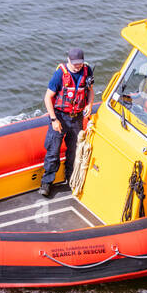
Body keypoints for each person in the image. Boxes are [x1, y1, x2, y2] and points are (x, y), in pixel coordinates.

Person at [41, 48, 93, 197]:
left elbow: (90, 90)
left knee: (74, 150)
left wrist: (89, 105)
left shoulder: (87, 70)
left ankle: (70, 177)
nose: (78, 66)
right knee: (53, 150)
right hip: (60, 116)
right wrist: (53, 120)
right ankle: (47, 182)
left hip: (76, 117)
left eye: (80, 63)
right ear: (69, 60)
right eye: (75, 63)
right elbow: (47, 97)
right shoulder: (60, 74)